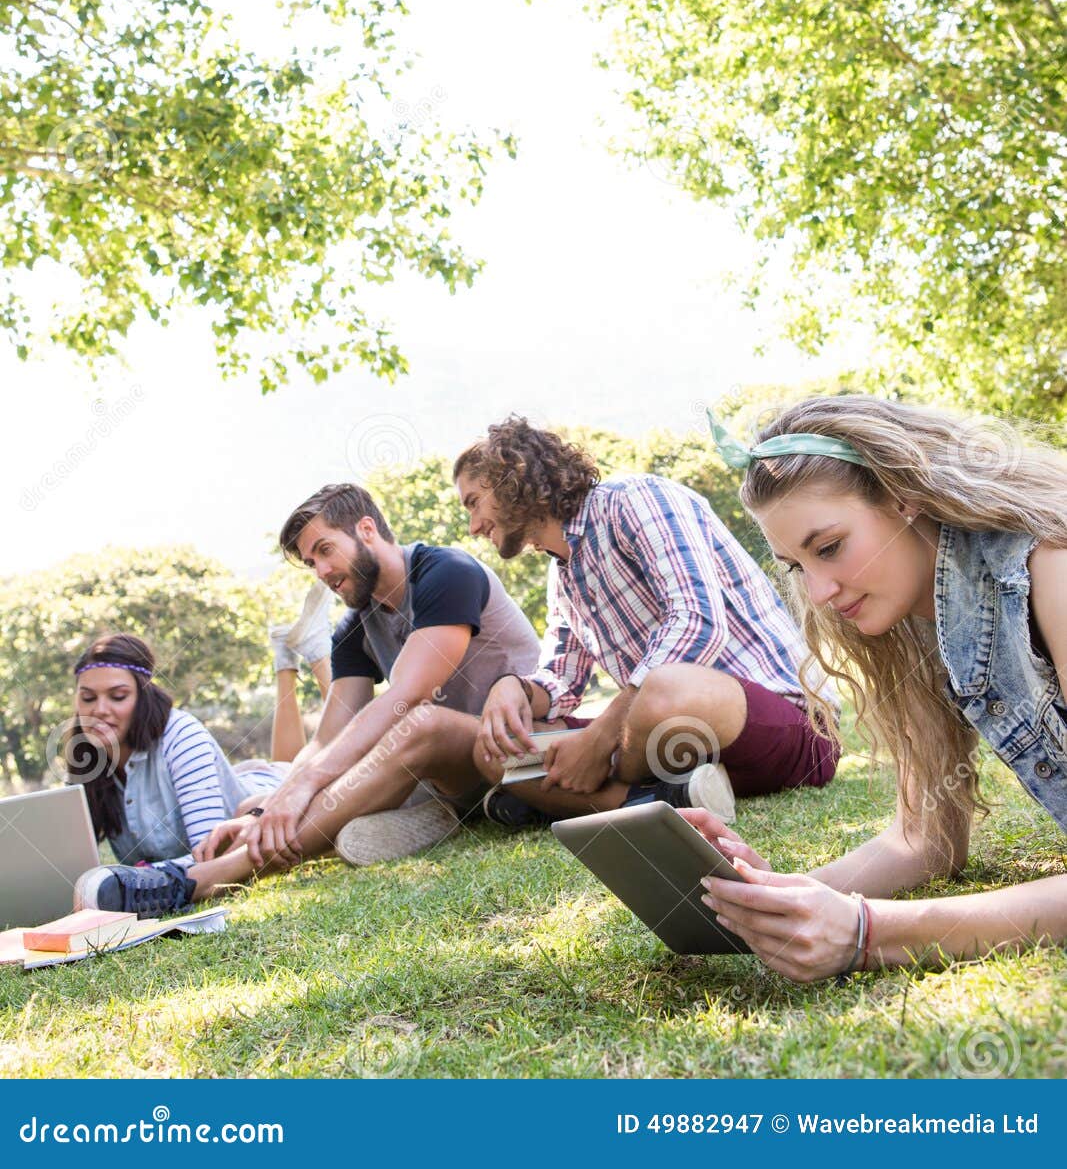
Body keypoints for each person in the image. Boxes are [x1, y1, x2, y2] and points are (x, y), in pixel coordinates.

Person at [688, 396, 1067, 980]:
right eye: (796, 566)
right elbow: (924, 841)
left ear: (903, 496)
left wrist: (866, 934)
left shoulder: (1051, 566)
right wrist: (773, 898)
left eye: (829, 548)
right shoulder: (917, 629)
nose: (817, 592)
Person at [74, 482, 539, 917]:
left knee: (419, 722)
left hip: (510, 748)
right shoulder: (353, 627)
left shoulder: (445, 572)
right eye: (310, 561)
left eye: (324, 550)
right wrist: (269, 807)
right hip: (443, 776)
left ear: (367, 529)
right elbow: (326, 740)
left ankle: (204, 879)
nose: (321, 572)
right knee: (249, 807)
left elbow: (407, 696)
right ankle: (424, 819)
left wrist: (300, 790)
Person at [453, 417, 839, 829]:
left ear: (512, 476)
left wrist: (601, 739)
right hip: (673, 748)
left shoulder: (636, 499)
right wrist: (512, 689)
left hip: (792, 727)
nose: (474, 526)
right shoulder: (563, 576)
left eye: (474, 501)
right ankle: (670, 797)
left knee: (665, 688)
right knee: (496, 751)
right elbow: (561, 682)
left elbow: (698, 621)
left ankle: (577, 795)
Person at [65, 627, 326, 866]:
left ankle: (309, 652)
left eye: (118, 696)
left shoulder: (181, 733)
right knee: (283, 763)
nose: (99, 710)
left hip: (274, 792)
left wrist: (132, 880)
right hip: (238, 783)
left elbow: (208, 855)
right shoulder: (86, 758)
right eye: (87, 698)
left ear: (144, 696)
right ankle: (285, 657)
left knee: (310, 758)